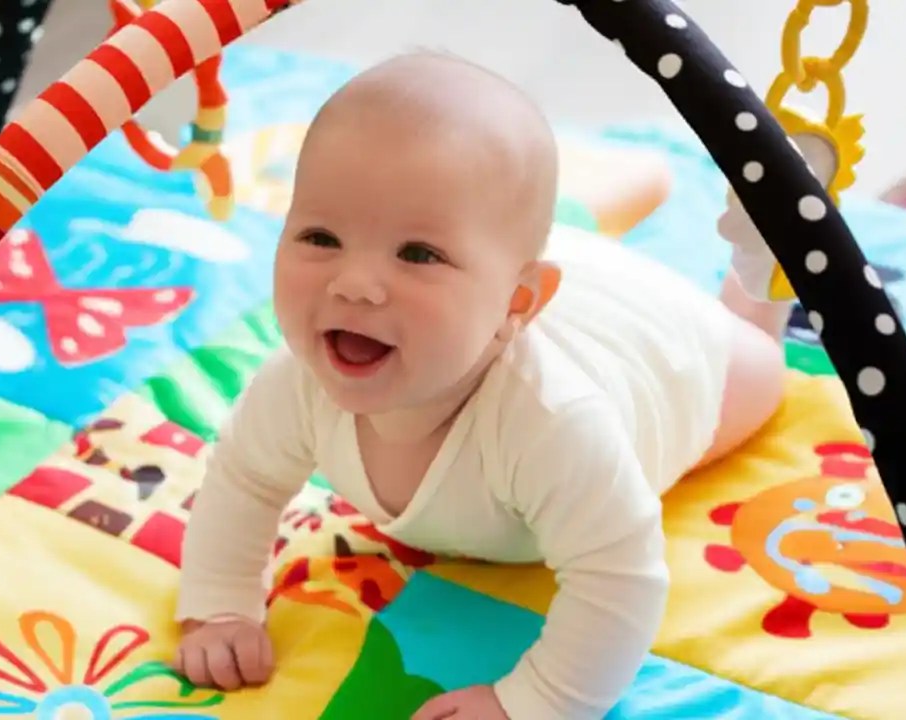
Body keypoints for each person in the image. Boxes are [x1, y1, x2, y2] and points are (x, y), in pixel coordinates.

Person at [170, 50, 789, 719]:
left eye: (418, 254)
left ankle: (766, 249)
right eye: (321, 237)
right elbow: (244, 480)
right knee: (492, 231)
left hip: (671, 347)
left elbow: (621, 581)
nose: (351, 283)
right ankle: (605, 200)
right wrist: (220, 602)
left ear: (518, 302)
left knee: (760, 365)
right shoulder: (295, 384)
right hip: (525, 287)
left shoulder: (554, 424)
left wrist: (534, 701)